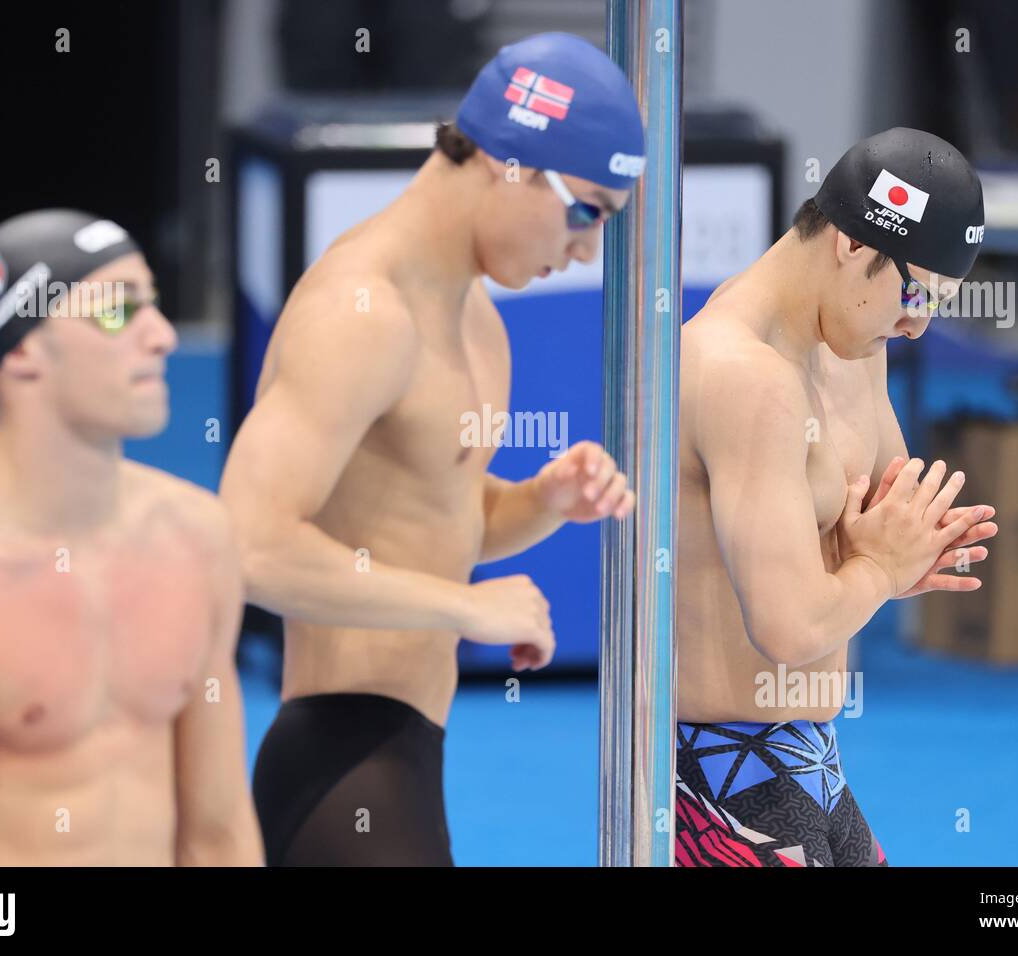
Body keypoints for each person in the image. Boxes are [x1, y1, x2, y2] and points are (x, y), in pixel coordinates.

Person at [222, 32, 645, 866]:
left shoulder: (475, 317)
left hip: (405, 751)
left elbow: (439, 515)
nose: (587, 249)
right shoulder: (363, 312)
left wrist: (543, 500)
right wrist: (462, 608)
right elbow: (243, 543)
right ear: (512, 162)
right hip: (341, 760)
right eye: (588, 210)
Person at [0, 210, 262, 865]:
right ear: (21, 349)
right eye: (115, 313)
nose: (161, 336)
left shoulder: (198, 540)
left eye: (154, 307)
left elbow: (218, 836)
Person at [674, 128, 999, 866]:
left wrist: (906, 553)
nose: (920, 324)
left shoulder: (851, 345)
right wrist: (880, 571)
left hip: (811, 760)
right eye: (917, 292)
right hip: (718, 777)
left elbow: (877, 532)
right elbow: (789, 629)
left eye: (939, 304)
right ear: (854, 245)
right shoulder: (741, 374)